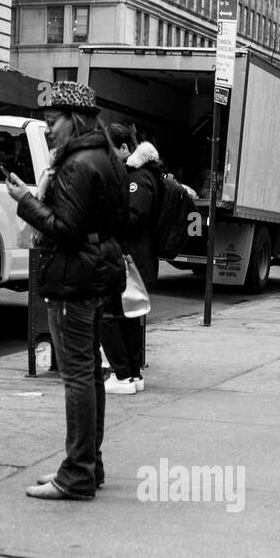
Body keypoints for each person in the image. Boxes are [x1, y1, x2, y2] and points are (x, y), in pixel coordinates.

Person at [6, 82, 126, 499]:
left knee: (77, 376)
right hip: (97, 273)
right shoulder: (106, 156)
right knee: (89, 372)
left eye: (52, 121)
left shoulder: (76, 164)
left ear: (73, 121)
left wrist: (26, 200)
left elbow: (66, 230)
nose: (48, 129)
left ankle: (76, 474)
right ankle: (89, 465)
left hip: (75, 278)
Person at [102, 122, 161, 395]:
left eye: (111, 151)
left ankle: (123, 374)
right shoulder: (142, 175)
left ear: (125, 148)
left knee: (111, 315)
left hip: (129, 257)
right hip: (136, 257)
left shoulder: (137, 178)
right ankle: (133, 374)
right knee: (128, 316)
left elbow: (134, 219)